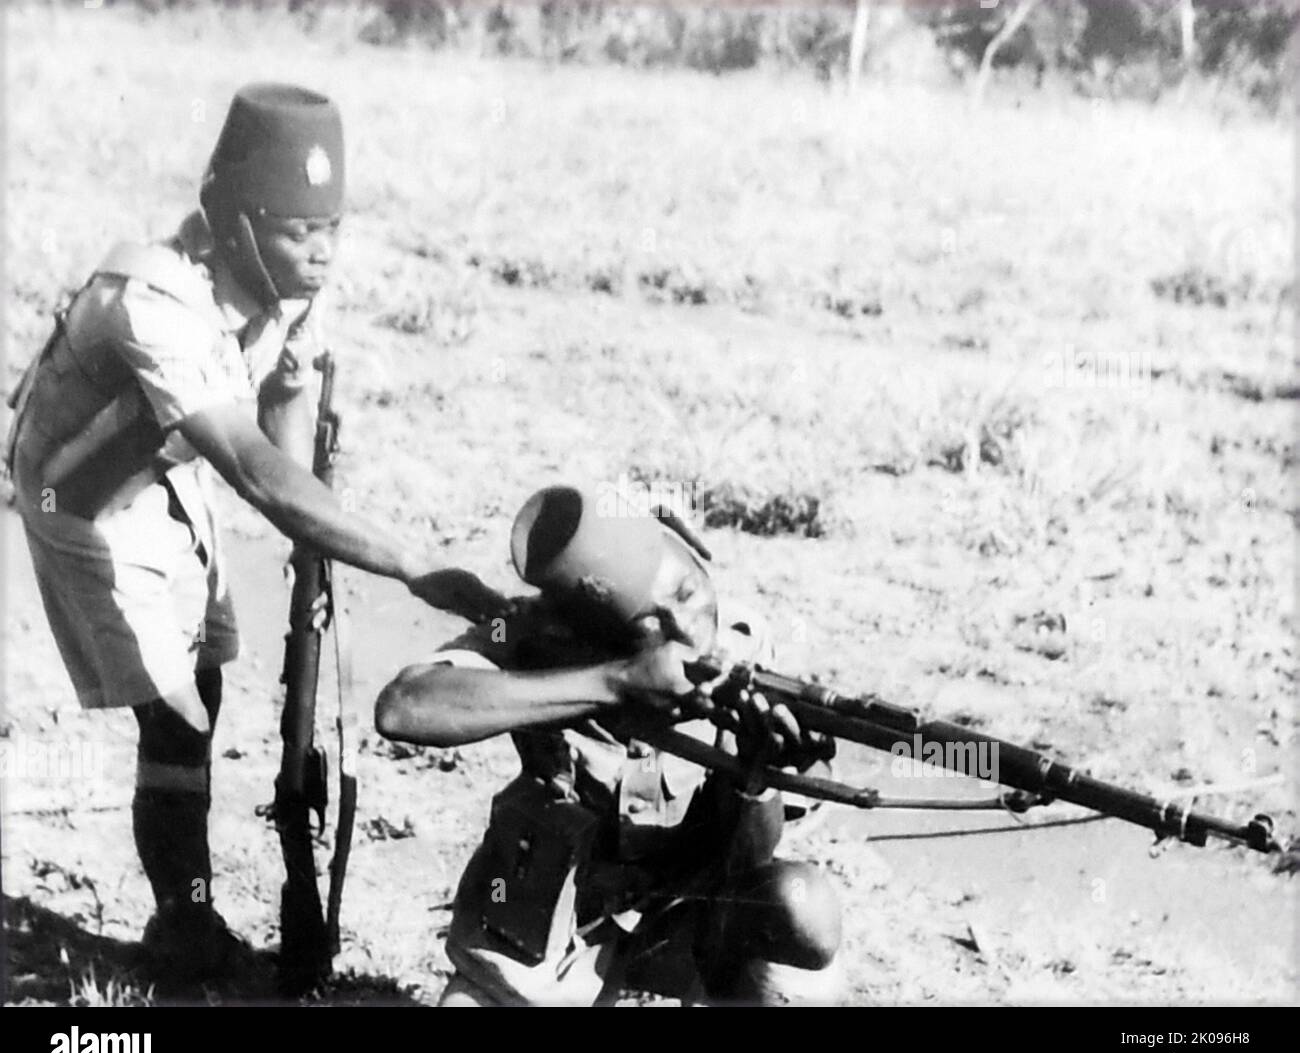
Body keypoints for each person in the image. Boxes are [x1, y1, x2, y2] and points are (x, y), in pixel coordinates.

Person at [4, 83, 508, 985]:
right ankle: (183, 930)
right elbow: (255, 472)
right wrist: (411, 564)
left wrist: (312, 541)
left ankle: (184, 904)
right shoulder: (152, 301)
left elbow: (280, 410)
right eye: (295, 231)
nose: (320, 255)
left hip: (159, 466)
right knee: (177, 716)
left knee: (205, 679)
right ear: (234, 224)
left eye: (332, 231)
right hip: (72, 495)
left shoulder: (281, 279)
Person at [375, 485, 844, 1005]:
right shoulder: (529, 630)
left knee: (802, 915)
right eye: (649, 623)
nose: (687, 629)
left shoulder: (745, 645)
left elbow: (752, 859)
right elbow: (404, 707)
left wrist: (755, 781)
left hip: (686, 914)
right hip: (550, 919)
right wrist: (611, 683)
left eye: (688, 592)